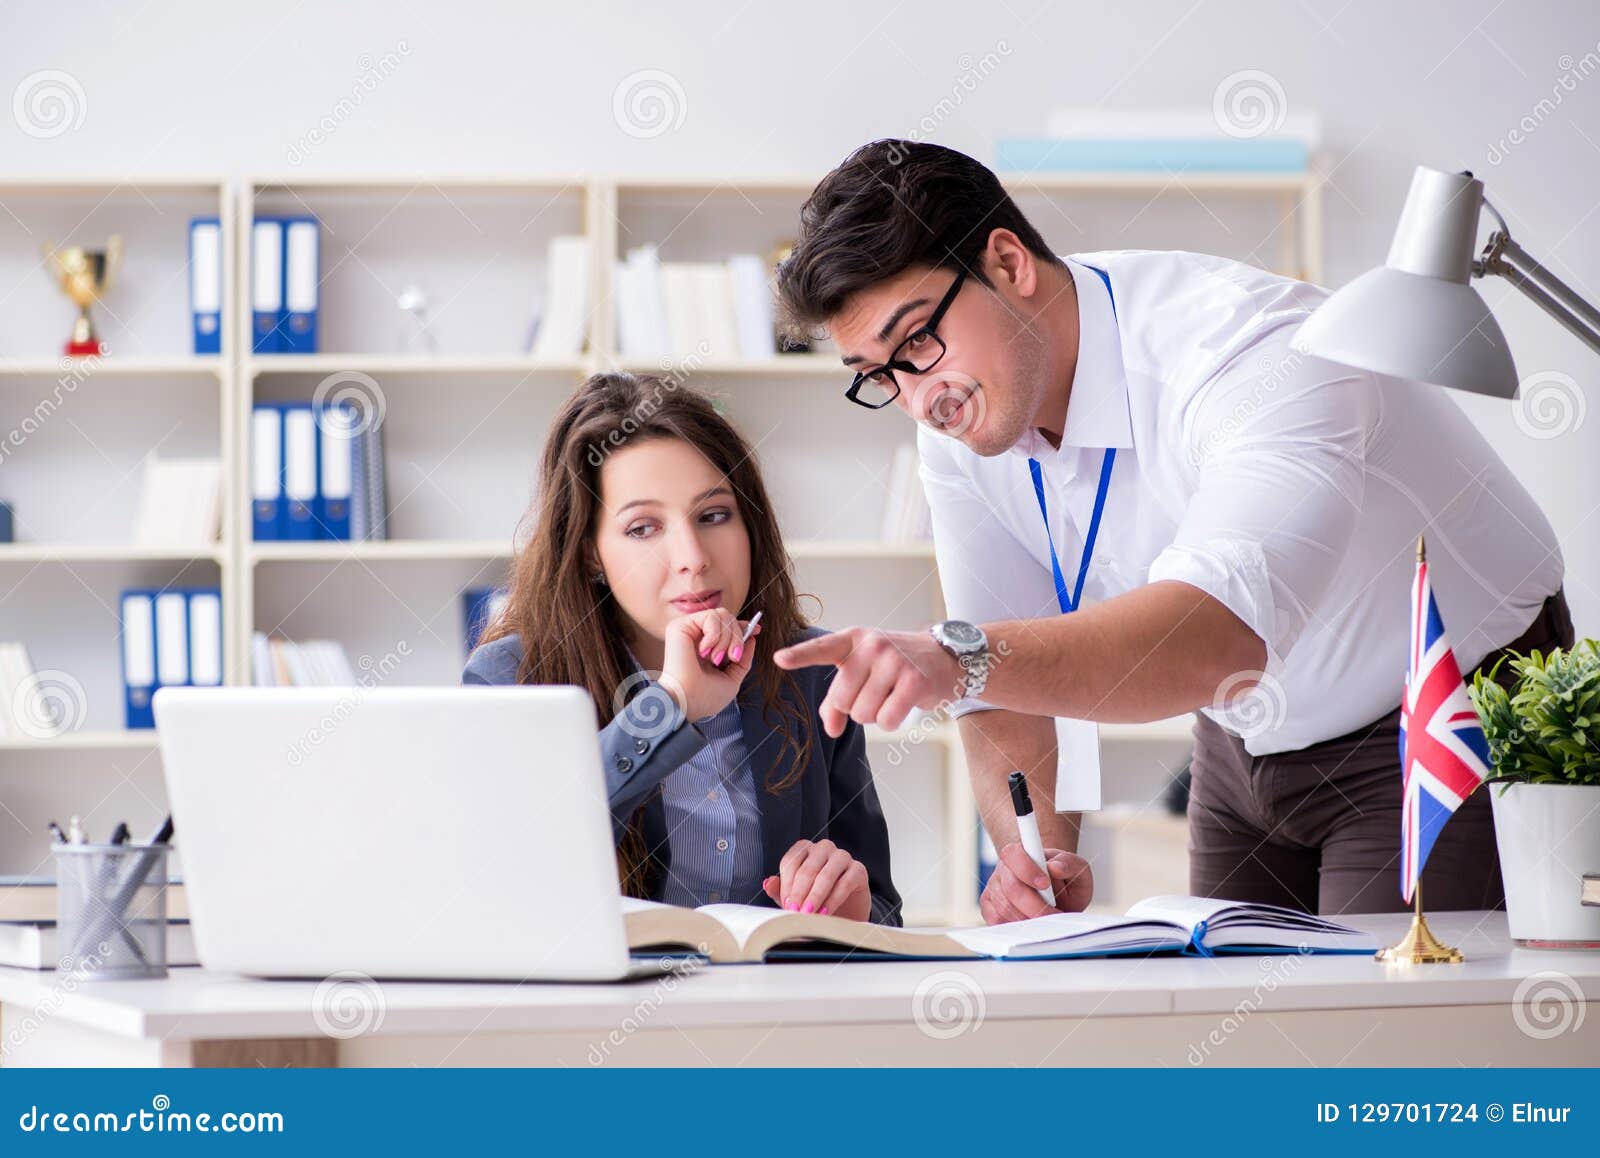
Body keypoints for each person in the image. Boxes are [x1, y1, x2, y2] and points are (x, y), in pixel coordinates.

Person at [769, 140, 1570, 923]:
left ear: (1008, 264)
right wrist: (1039, 859)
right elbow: (996, 666)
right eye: (878, 375)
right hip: (1239, 737)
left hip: (1438, 714)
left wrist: (955, 659)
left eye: (915, 340)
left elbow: (1220, 634)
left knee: (1377, 1040)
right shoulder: (956, 410)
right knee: (1232, 1033)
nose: (915, 398)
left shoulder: (1255, 350)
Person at [463, 371, 901, 925]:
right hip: (600, 1007)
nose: (692, 555)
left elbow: (883, 907)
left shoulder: (811, 672)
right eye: (644, 528)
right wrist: (669, 706)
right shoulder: (510, 678)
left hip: (773, 1005)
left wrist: (856, 911)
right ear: (591, 554)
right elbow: (508, 868)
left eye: (713, 515)